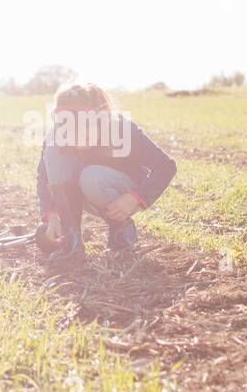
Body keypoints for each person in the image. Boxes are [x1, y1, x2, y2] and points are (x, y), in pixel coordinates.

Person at [36, 83, 177, 262]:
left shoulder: (122, 128)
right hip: (77, 192)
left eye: (86, 122)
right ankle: (72, 241)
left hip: (122, 192)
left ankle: (121, 228)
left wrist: (134, 197)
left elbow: (166, 167)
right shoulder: (56, 137)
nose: (78, 130)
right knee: (54, 149)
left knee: (92, 176)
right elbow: (43, 178)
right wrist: (52, 215)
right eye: (68, 123)